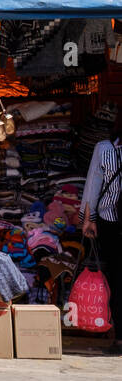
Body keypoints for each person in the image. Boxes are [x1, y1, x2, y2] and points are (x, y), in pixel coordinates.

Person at [81, 123, 122, 343]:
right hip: (111, 223)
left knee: (116, 277)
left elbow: (93, 186)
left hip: (111, 222)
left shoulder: (104, 148)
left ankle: (119, 335)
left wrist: (88, 220)